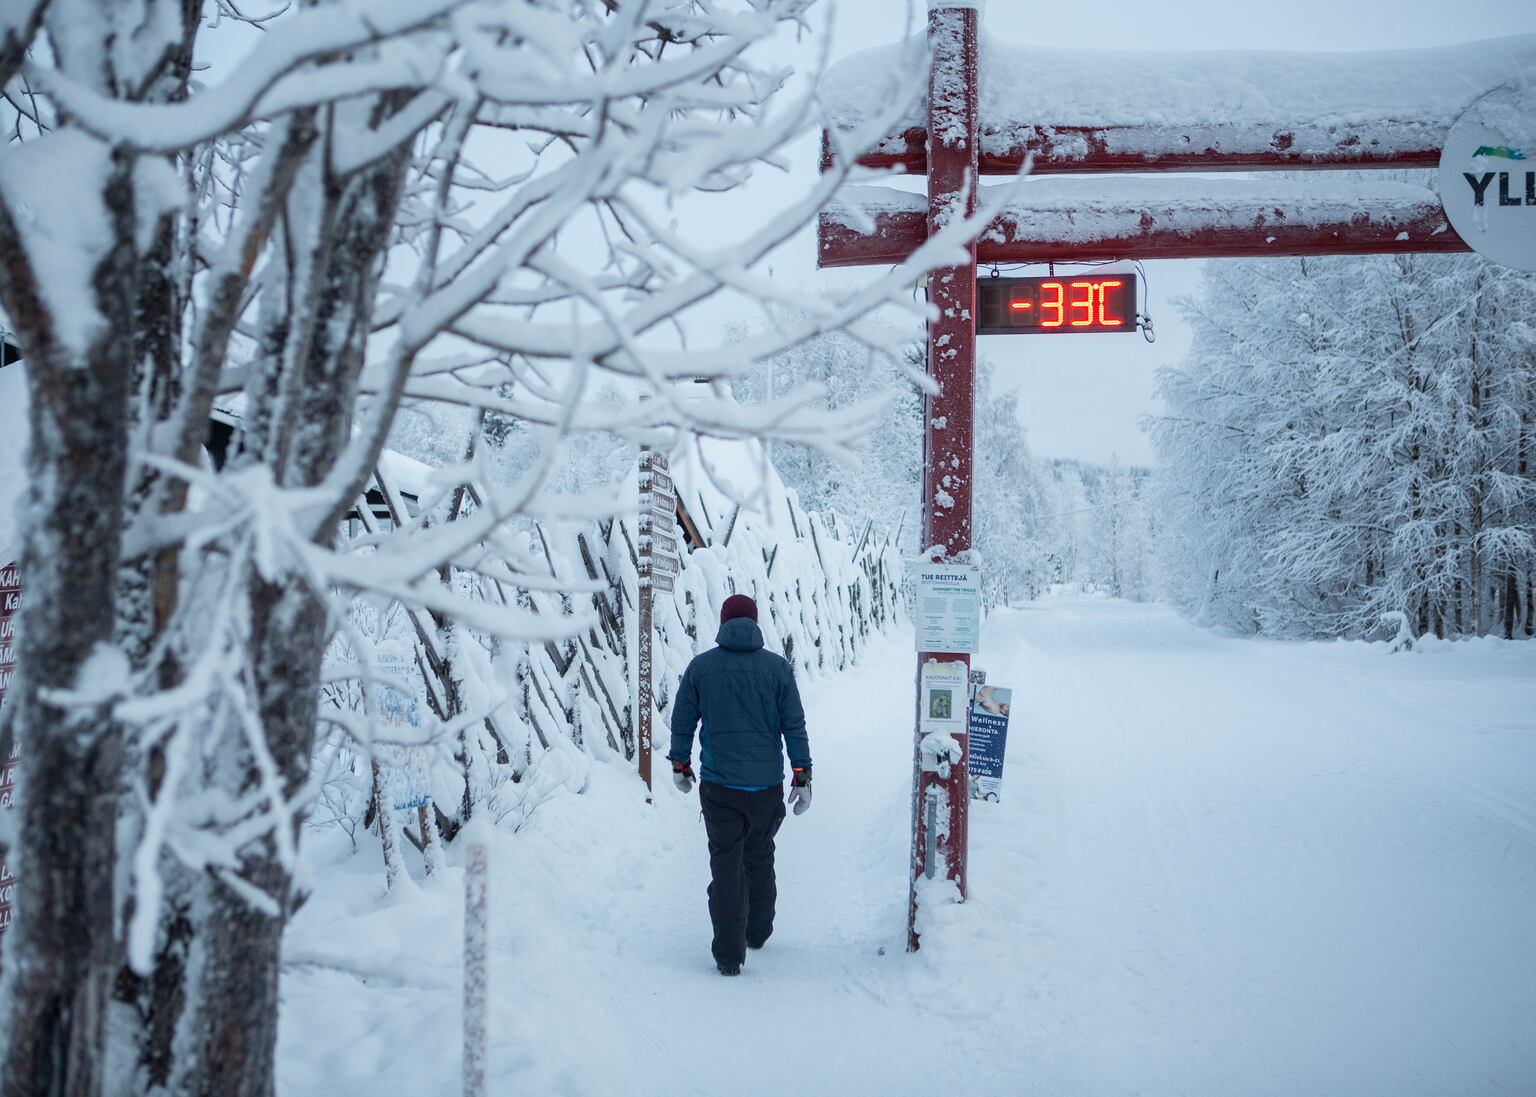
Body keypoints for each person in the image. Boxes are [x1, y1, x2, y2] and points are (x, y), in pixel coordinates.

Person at [668, 592, 812, 976]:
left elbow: (683, 722)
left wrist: (680, 765)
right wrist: (803, 775)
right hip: (765, 787)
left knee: (726, 864)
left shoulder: (701, 668)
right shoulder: (778, 669)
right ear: (756, 622)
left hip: (719, 788)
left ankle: (729, 955)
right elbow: (793, 726)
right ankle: (758, 931)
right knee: (760, 855)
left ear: (722, 621)